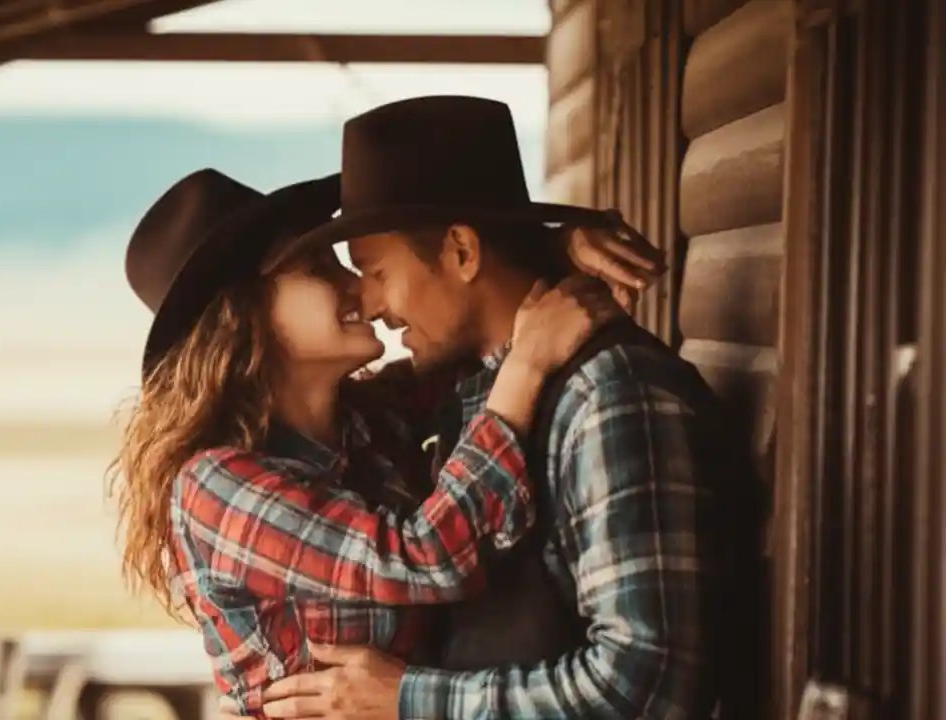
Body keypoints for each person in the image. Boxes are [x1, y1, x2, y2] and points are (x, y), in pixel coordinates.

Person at [227, 96, 747, 719]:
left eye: (377, 272)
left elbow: (648, 689)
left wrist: (408, 700)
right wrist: (555, 249)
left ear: (462, 252)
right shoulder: (469, 392)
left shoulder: (609, 394)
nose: (368, 304)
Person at [108, 168, 664, 717]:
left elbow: (475, 324)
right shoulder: (215, 487)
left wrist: (554, 250)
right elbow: (426, 558)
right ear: (242, 317)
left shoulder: (372, 421)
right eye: (317, 267)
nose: (358, 288)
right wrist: (528, 367)